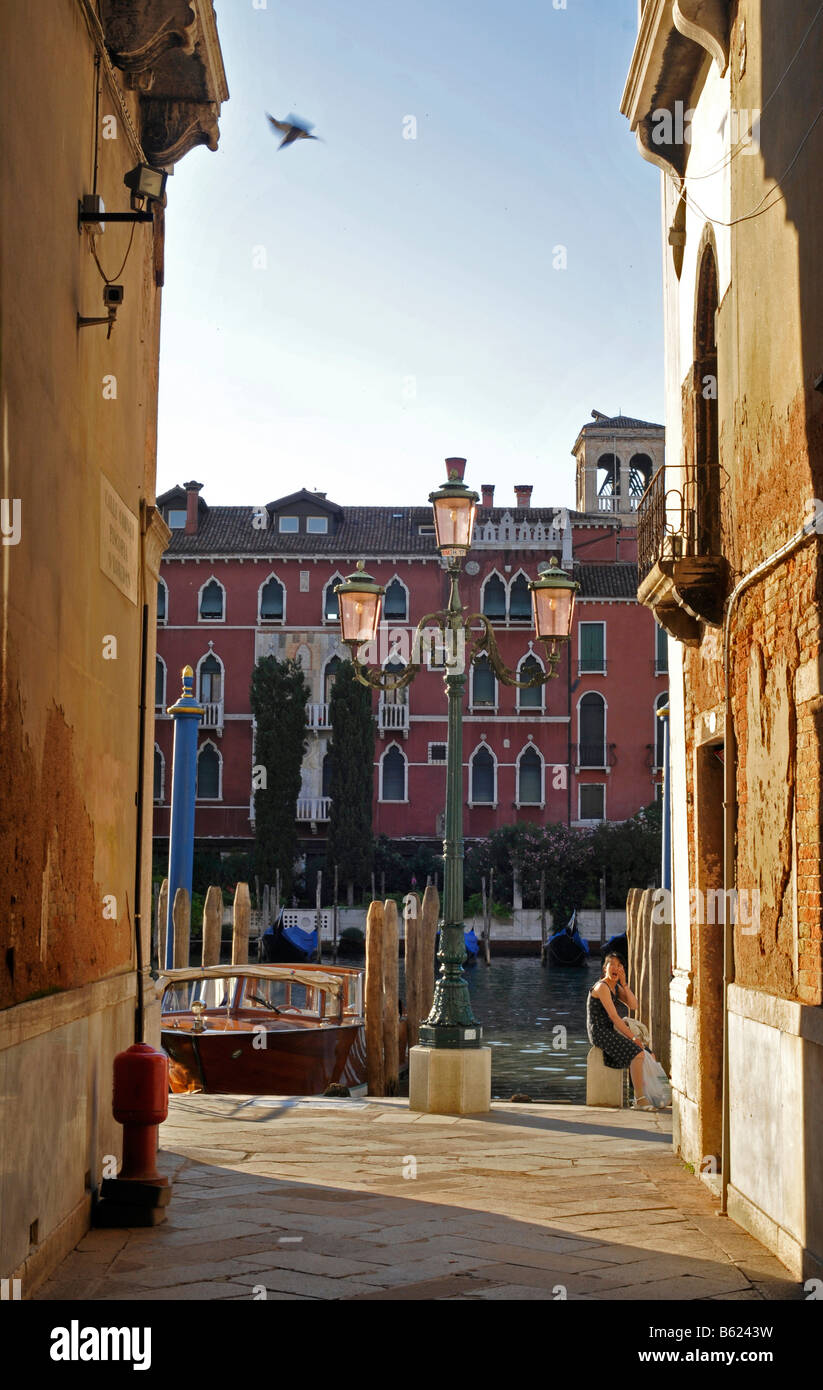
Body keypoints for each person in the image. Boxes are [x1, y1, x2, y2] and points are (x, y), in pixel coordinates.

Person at [587, 951, 654, 1110]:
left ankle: (651, 1093)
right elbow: (614, 1017)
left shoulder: (615, 987)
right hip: (599, 1032)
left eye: (620, 965)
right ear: (605, 968)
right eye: (613, 965)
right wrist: (633, 1038)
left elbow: (633, 1005)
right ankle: (639, 1099)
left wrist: (624, 984)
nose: (616, 968)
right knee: (638, 1052)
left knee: (649, 1053)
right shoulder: (602, 987)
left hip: (610, 1030)